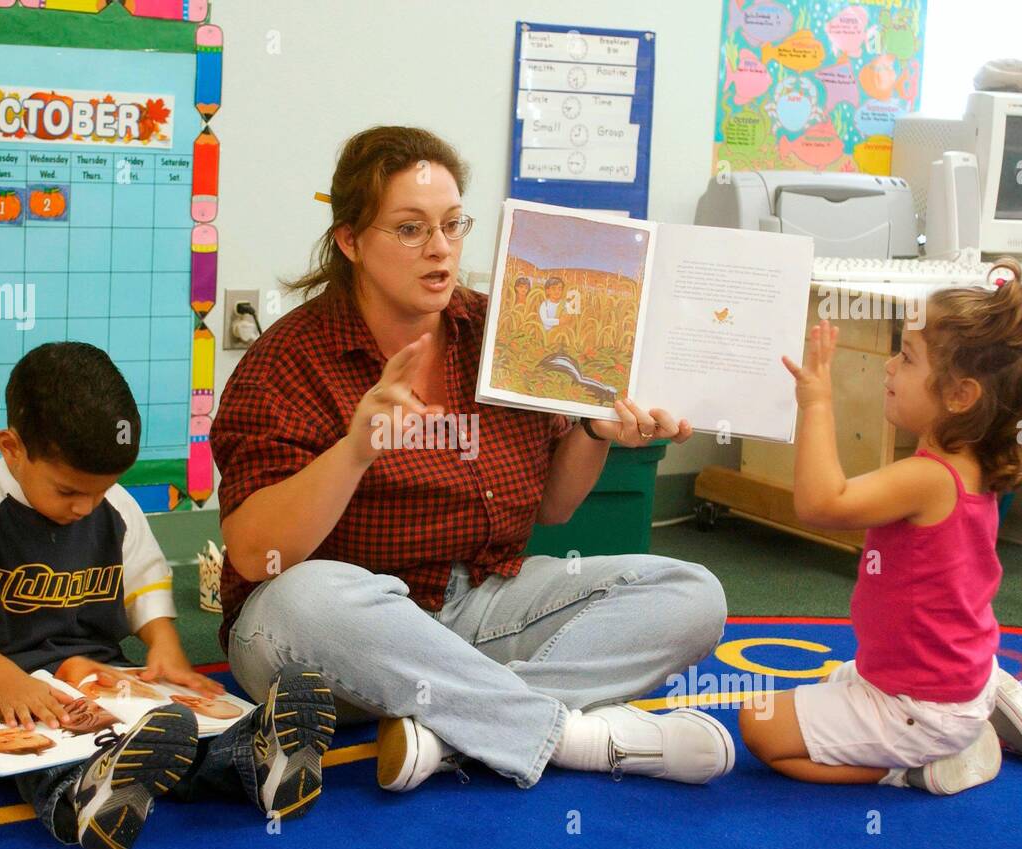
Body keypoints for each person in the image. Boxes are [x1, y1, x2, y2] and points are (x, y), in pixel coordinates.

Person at [210, 125, 733, 795]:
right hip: (337, 639)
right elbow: (257, 557)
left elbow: (553, 507)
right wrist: (356, 450)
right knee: (304, 598)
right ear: (350, 240)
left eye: (453, 225)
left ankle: (451, 727)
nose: (440, 249)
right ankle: (565, 733)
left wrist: (592, 433)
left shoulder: (497, 333)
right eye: (409, 229)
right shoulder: (288, 361)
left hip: (476, 604)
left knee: (692, 594)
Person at [0, 342, 335, 849]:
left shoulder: (112, 505)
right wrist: (14, 684)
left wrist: (166, 651)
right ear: (12, 448)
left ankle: (257, 760)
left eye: (101, 490)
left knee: (176, 731)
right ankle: (80, 800)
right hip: (4, 685)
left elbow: (148, 594)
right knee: (50, 750)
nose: (86, 506)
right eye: (68, 491)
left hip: (106, 677)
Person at [740, 265, 1022, 793]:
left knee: (758, 725)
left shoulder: (927, 477)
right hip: (943, 677)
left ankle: (923, 765)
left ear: (960, 396)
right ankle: (974, 702)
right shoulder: (972, 461)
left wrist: (818, 405)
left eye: (907, 356)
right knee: (832, 683)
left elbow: (822, 504)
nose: (890, 366)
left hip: (922, 705)